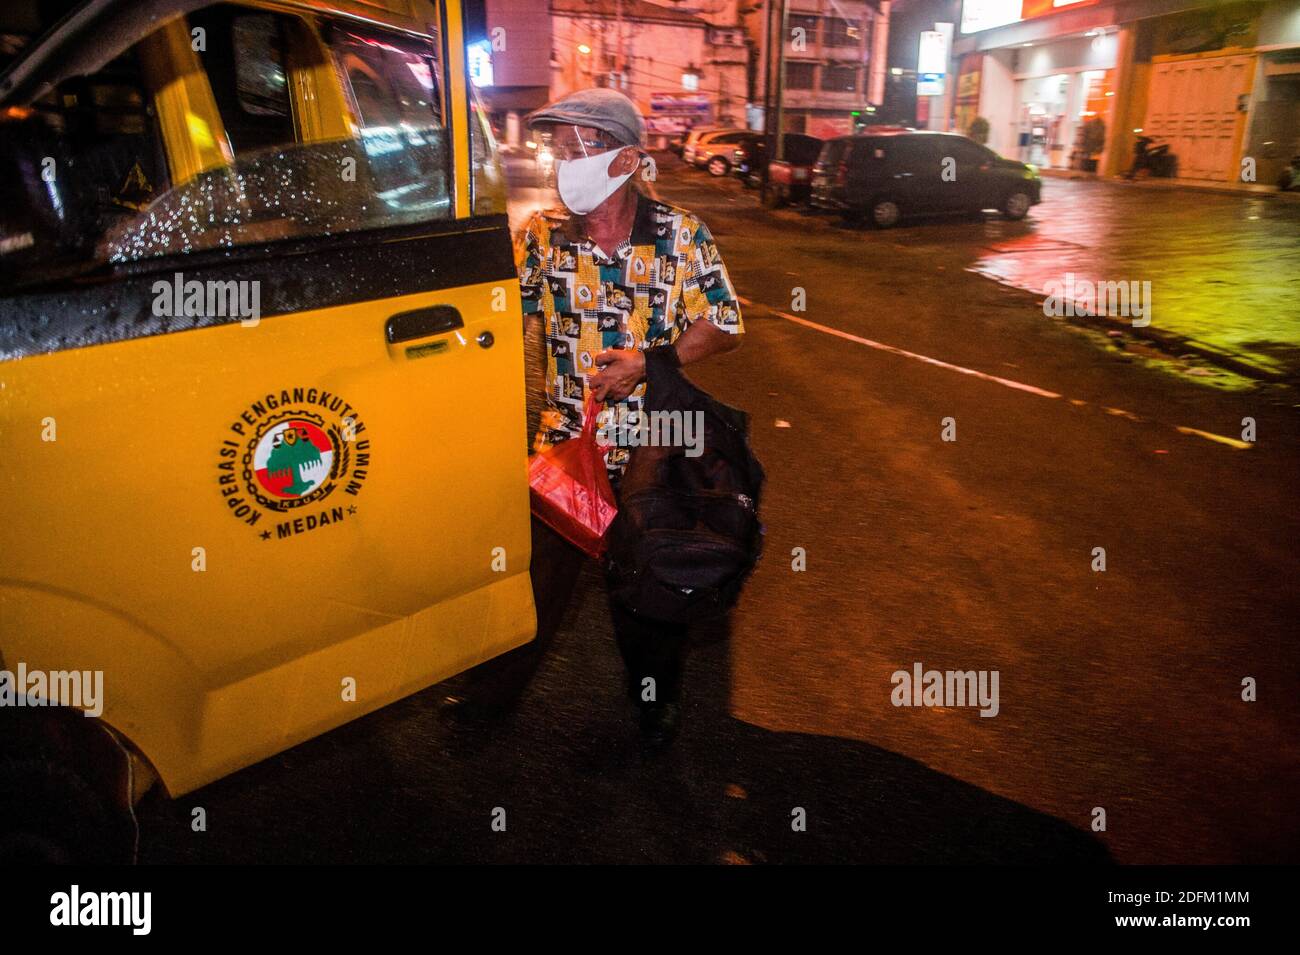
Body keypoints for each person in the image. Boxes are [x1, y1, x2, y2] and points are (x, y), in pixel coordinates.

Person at [442, 88, 743, 748]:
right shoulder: (544, 237)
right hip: (563, 445)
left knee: (646, 594)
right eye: (561, 145)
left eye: (583, 144)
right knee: (534, 580)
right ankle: (487, 701)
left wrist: (648, 359)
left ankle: (654, 709)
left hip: (651, 450)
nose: (564, 158)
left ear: (629, 159)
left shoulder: (679, 235)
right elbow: (493, 317)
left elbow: (724, 322)